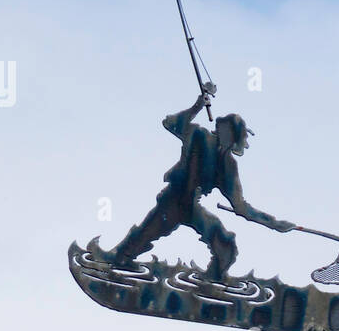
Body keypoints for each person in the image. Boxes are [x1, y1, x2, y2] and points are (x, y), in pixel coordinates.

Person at [103, 82, 293, 278]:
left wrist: (273, 223)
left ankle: (214, 279)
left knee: (225, 245)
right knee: (142, 237)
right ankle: (119, 260)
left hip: (191, 207)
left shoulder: (227, 166)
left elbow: (240, 206)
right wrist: (197, 106)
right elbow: (171, 123)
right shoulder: (198, 135)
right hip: (172, 201)